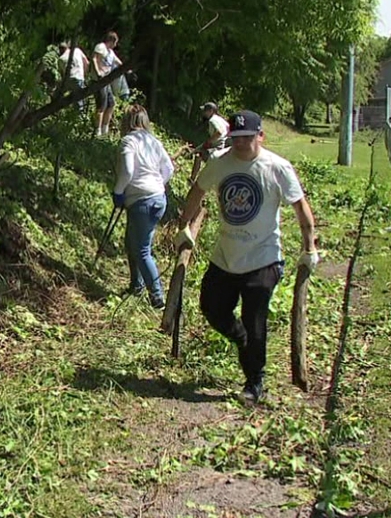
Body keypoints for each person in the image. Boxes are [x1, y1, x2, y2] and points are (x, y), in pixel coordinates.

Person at [174, 110, 319, 404]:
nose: (241, 144)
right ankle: (242, 340)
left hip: (263, 259)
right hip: (225, 257)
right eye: (236, 138)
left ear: (260, 136)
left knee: (256, 323)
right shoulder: (220, 164)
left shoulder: (277, 167)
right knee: (211, 308)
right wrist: (184, 227)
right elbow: (197, 192)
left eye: (247, 138)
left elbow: (300, 207)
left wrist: (309, 248)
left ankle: (254, 382)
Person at [113, 105, 175, 308]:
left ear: (126, 122)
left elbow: (128, 171)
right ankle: (136, 285)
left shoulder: (128, 141)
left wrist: (119, 191)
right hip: (158, 198)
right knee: (132, 242)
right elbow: (168, 169)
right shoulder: (153, 141)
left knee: (141, 250)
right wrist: (157, 185)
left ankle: (157, 297)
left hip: (141, 201)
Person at [92, 31, 121, 137]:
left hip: (107, 81)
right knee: (101, 106)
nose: (116, 45)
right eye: (115, 42)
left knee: (111, 104)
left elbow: (118, 62)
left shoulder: (111, 52)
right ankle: (98, 131)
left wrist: (128, 70)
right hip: (99, 80)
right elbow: (94, 59)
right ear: (112, 41)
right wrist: (98, 72)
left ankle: (105, 128)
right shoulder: (101, 47)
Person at [58, 41, 90, 114]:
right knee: (79, 100)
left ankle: (56, 108)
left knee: (58, 93)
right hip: (79, 78)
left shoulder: (61, 59)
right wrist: (84, 75)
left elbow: (63, 75)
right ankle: (79, 116)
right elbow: (87, 63)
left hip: (69, 80)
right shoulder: (77, 50)